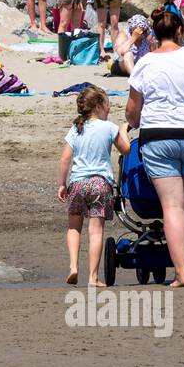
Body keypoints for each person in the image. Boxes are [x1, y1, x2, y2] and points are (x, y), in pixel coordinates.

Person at [125, 7, 184, 288]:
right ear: (181, 31)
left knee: (172, 207)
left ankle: (181, 272)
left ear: (154, 33)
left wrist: (131, 124)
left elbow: (132, 112)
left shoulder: (145, 64)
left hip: (159, 137)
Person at [57, 86, 131, 286]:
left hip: (78, 183)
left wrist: (62, 184)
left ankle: (73, 267)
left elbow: (65, 159)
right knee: (96, 231)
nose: (109, 109)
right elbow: (126, 150)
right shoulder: (109, 127)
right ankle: (93, 277)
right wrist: (123, 130)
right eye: (108, 105)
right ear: (98, 106)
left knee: (74, 227)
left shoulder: (76, 128)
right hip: (100, 184)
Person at [109, 13, 156, 77]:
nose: (142, 32)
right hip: (121, 66)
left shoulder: (147, 34)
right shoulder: (124, 34)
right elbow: (120, 52)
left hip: (140, 67)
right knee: (128, 54)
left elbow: (154, 54)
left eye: (144, 29)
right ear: (133, 28)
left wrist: (151, 43)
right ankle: (134, 77)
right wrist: (133, 38)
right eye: (140, 29)